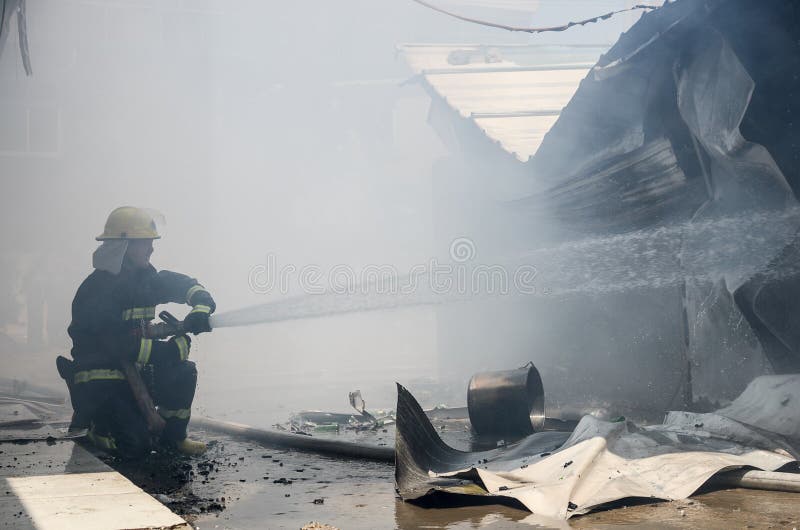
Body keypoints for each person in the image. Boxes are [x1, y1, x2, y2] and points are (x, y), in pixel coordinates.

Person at [57, 206, 215, 457]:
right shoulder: (97, 289)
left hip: (132, 369)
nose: (151, 249)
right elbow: (116, 345)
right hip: (101, 377)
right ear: (124, 246)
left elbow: (178, 284)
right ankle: (98, 427)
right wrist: (170, 351)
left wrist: (201, 306)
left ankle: (173, 437)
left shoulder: (143, 278)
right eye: (145, 243)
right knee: (133, 445)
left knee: (183, 372)